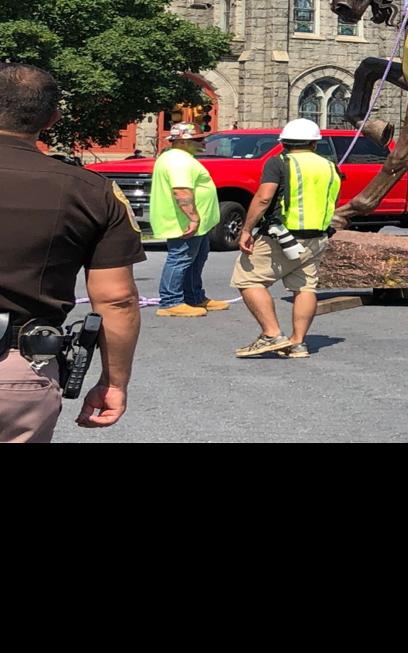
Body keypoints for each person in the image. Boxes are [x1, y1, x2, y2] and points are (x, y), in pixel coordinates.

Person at [0, 63, 143, 442]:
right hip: (18, 368)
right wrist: (114, 381)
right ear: (52, 119)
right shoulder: (91, 192)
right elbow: (116, 299)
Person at [231, 118, 341, 359]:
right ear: (314, 143)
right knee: (305, 287)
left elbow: (264, 197)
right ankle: (298, 343)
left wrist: (247, 229)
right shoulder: (329, 166)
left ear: (283, 143)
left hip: (281, 235)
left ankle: (272, 334)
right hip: (317, 236)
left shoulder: (279, 162)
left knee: (248, 279)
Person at [149, 122, 229, 317]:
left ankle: (194, 296)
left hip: (196, 223)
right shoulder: (179, 161)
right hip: (184, 222)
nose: (203, 142)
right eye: (198, 139)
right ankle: (170, 301)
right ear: (183, 142)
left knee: (195, 259)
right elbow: (181, 191)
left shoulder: (178, 158)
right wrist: (192, 218)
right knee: (180, 259)